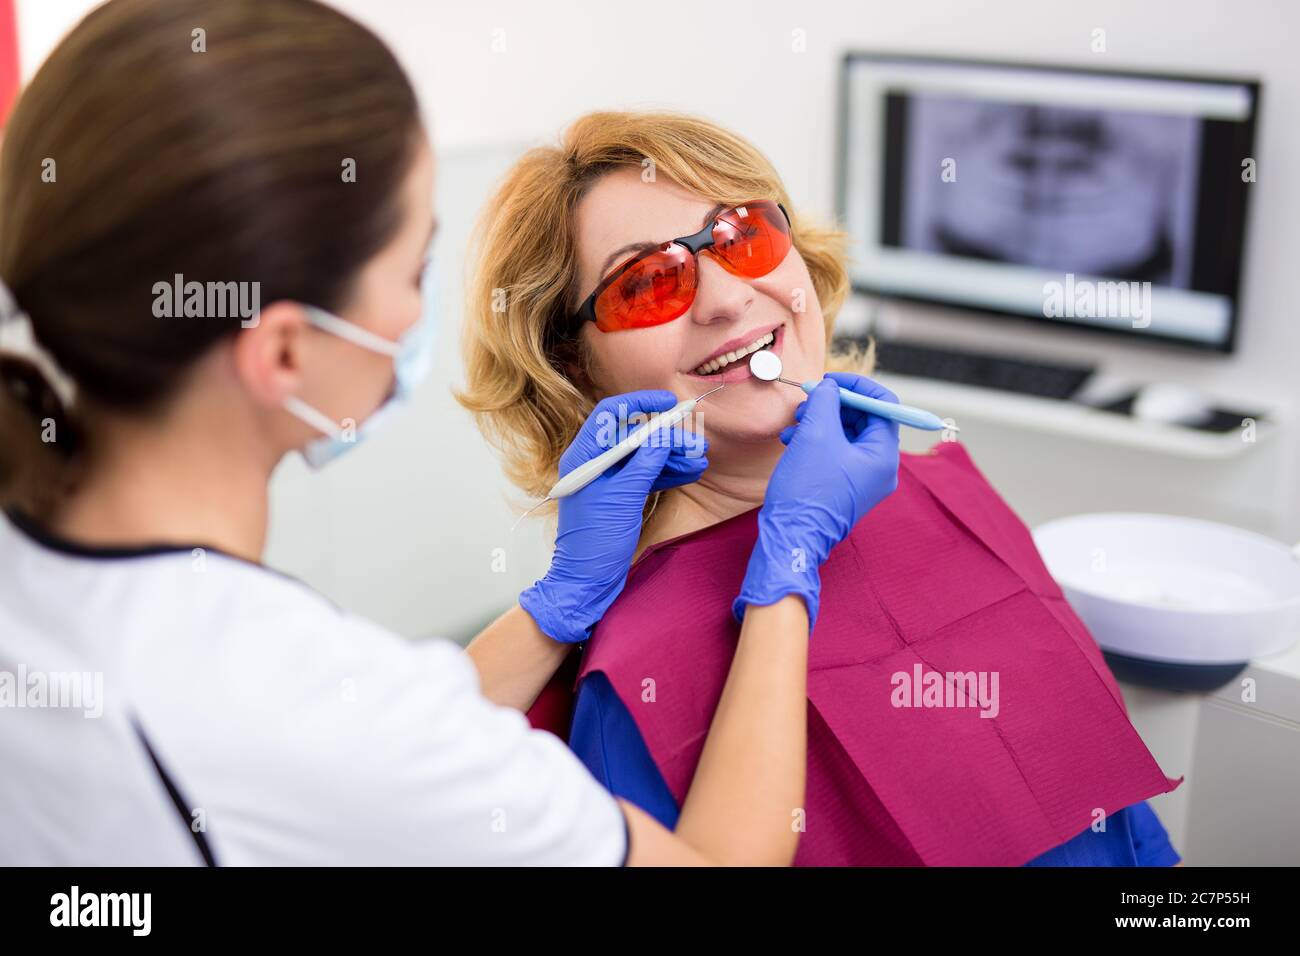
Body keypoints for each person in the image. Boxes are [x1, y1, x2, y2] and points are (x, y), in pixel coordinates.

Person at [0, 0, 899, 866]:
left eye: (740, 237)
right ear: (281, 353)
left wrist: (558, 602)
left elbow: (368, 741)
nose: (727, 296)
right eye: (414, 269)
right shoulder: (276, 697)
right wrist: (787, 570)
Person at [458, 110, 1183, 866]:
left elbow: (1120, 816)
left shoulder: (951, 491)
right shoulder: (635, 674)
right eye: (645, 283)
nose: (727, 299)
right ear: (575, 366)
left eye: (741, 235)